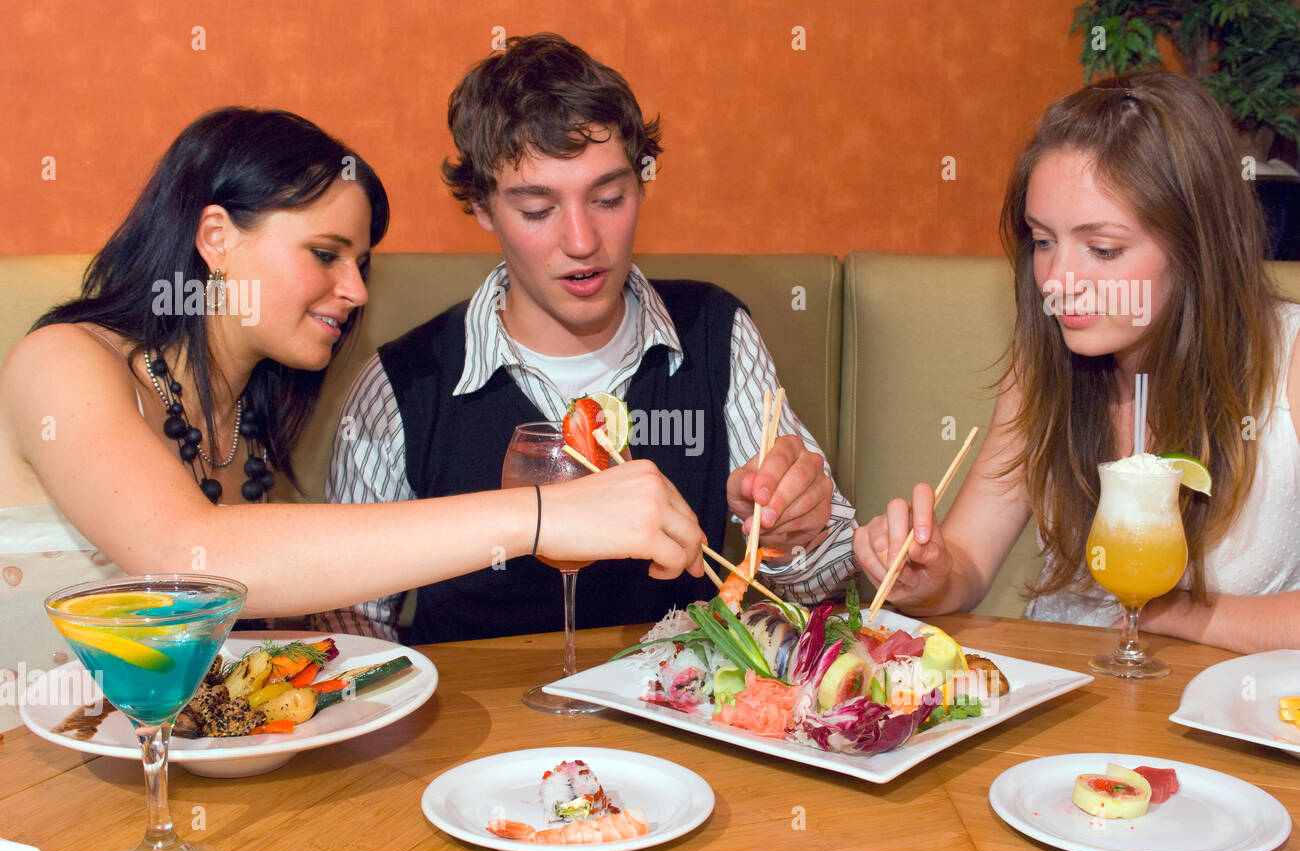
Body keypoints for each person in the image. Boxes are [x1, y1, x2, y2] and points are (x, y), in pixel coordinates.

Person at [0, 107, 706, 731]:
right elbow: (186, 556)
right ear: (215, 236)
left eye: (362, 262)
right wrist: (540, 515)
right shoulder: (62, 360)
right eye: (325, 254)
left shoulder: (248, 422)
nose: (356, 290)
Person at [315, 33, 858, 644]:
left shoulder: (715, 330)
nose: (581, 240)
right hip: (482, 730)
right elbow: (350, 628)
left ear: (641, 185)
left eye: (608, 198)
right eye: (537, 210)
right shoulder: (404, 384)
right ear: (483, 208)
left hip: (678, 714)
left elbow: (831, 583)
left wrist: (798, 536)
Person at [853, 71, 1300, 655]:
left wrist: (1190, 616)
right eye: (1043, 241)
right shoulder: (1044, 360)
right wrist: (927, 573)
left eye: (1103, 249)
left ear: (1197, 244)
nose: (1058, 282)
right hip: (1062, 699)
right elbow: (967, 565)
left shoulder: (1287, 360)